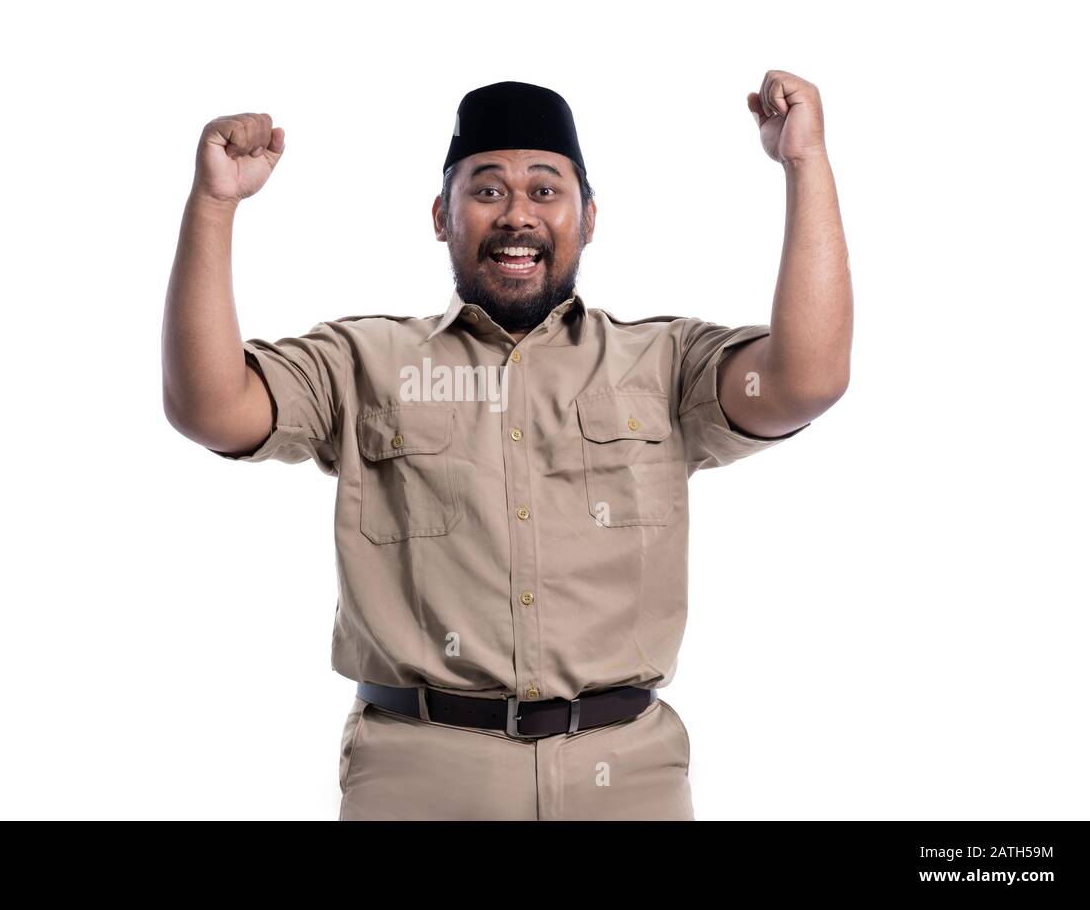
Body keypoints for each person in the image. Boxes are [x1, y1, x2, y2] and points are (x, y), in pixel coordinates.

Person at [161, 75, 852, 819]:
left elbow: (803, 381)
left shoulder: (662, 363)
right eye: (487, 190)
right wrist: (215, 204)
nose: (517, 214)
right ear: (441, 216)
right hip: (420, 779)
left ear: (588, 218)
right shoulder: (362, 363)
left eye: (546, 191)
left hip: (628, 779)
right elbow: (210, 408)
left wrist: (804, 164)